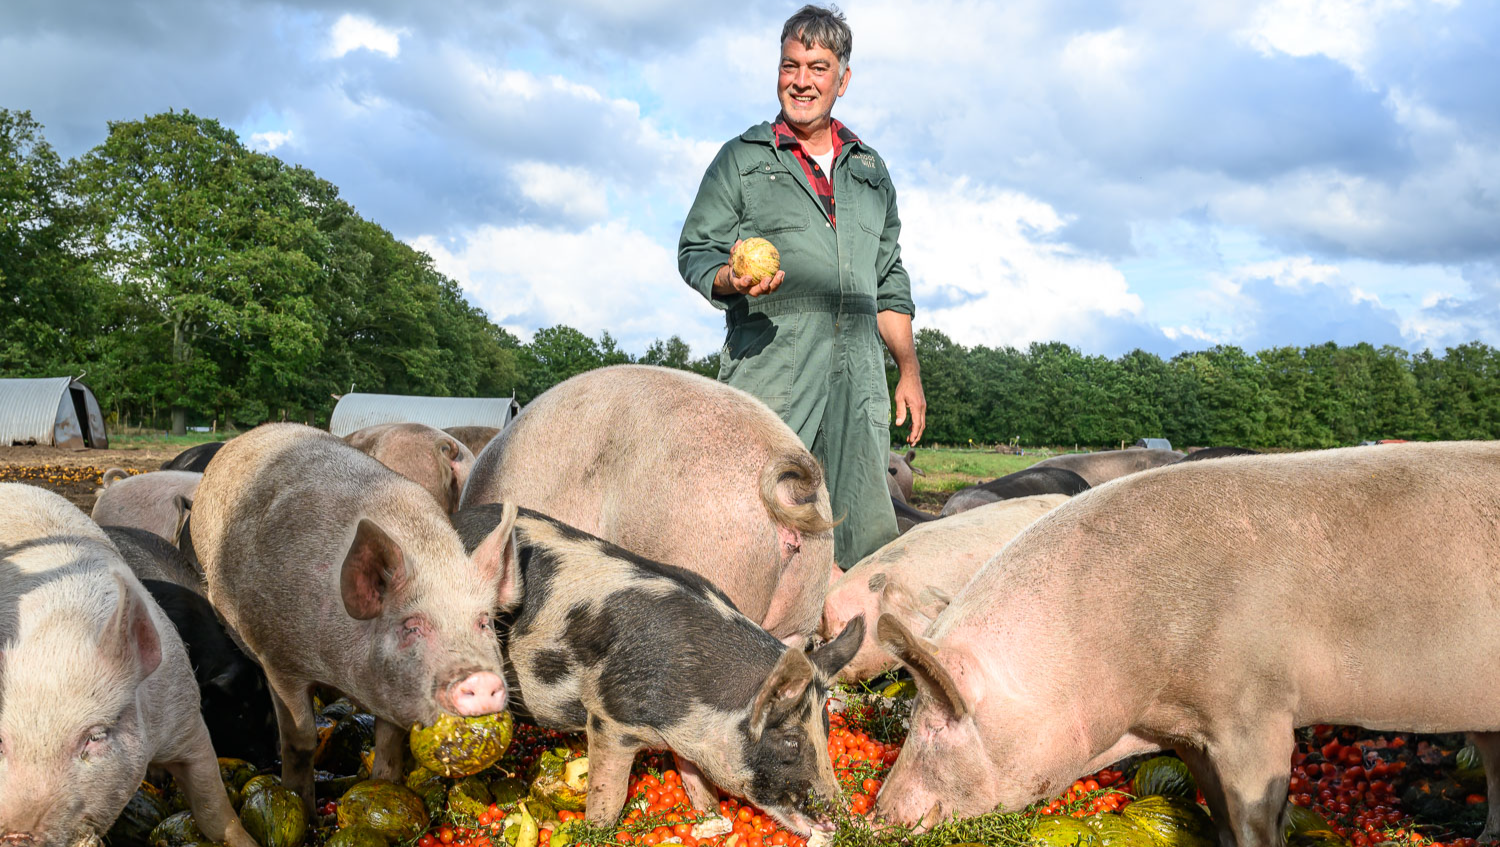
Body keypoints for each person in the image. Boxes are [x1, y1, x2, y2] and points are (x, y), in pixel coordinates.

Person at [678, 4, 925, 570]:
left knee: (864, 528)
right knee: (758, 528)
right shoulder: (743, 160)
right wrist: (730, 278)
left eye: (818, 67)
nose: (801, 81)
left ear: (843, 79)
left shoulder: (870, 172)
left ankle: (852, 626)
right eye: (790, 66)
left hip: (860, 379)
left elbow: (889, 280)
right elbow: (696, 250)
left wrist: (908, 371)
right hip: (773, 372)